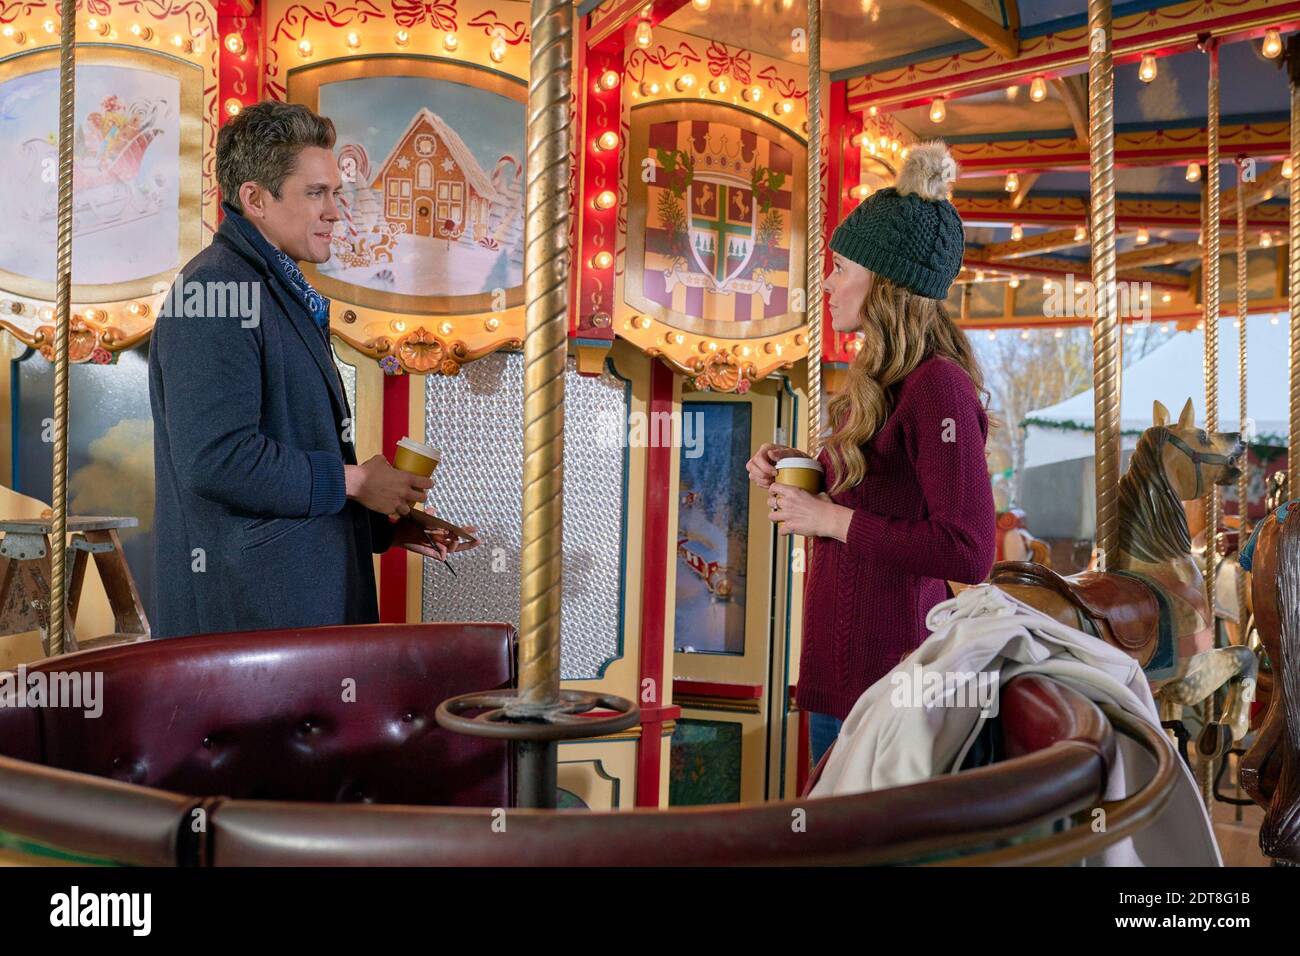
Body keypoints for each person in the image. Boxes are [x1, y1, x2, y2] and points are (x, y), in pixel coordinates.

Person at [149, 101, 467, 638]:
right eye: (315, 193)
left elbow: (288, 453)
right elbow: (217, 459)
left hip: (291, 614)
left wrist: (380, 525)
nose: (334, 212)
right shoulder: (216, 290)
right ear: (255, 199)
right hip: (249, 623)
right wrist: (358, 480)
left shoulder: (274, 288)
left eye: (335, 193)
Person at [746, 141, 997, 767]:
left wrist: (828, 519)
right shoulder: (881, 378)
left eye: (841, 267)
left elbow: (969, 548)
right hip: (841, 673)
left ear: (885, 281)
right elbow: (879, 493)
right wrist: (799, 467)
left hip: (892, 679)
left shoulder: (936, 384)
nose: (828, 282)